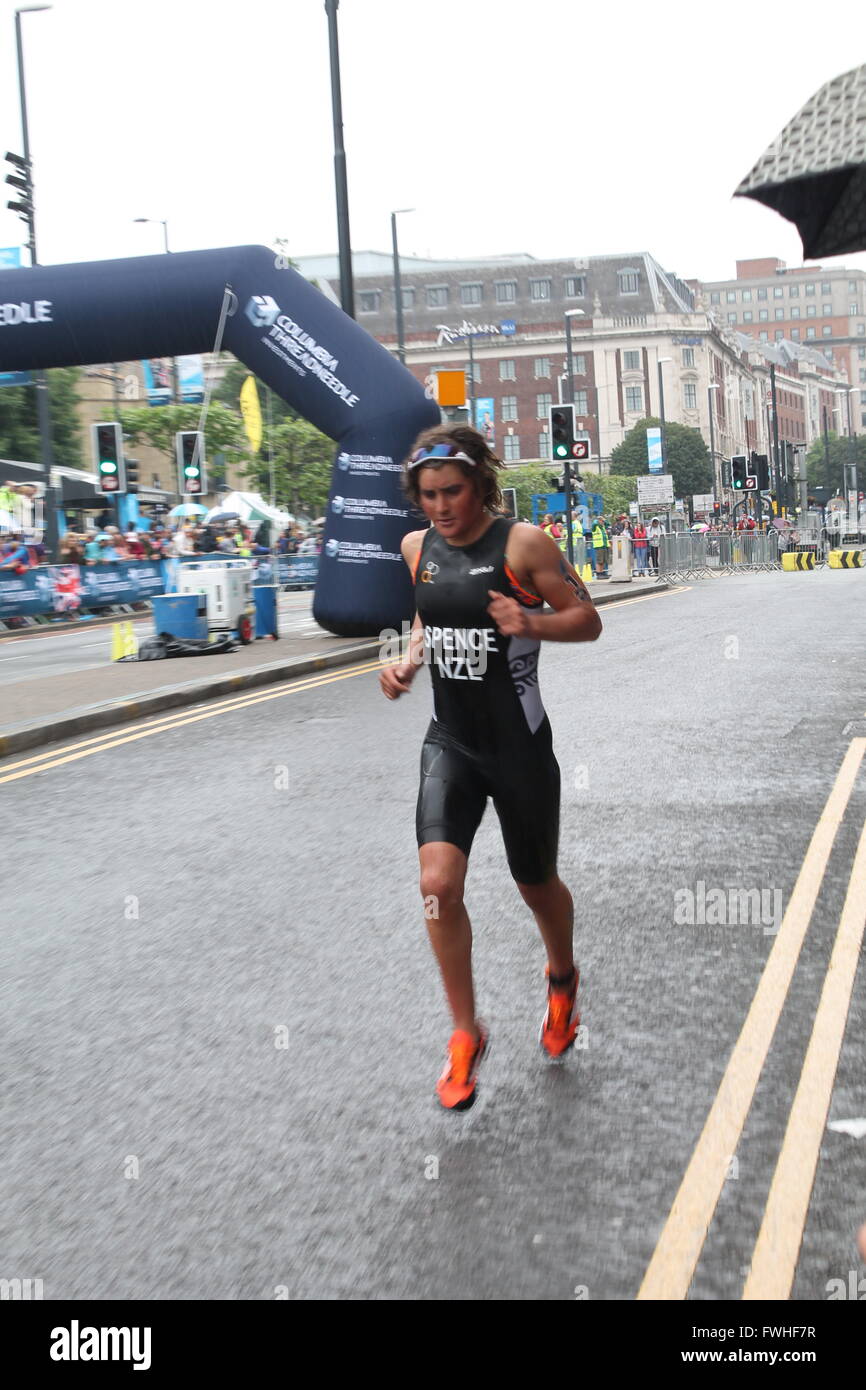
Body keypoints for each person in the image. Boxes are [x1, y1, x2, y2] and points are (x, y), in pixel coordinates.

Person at [379, 425, 602, 1110]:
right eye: (428, 496)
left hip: (519, 748)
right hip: (452, 741)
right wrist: (409, 658)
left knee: (536, 884)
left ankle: (561, 981)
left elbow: (588, 619)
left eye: (452, 492)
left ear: (480, 484)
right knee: (436, 882)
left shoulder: (524, 545)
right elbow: (429, 615)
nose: (441, 508)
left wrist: (530, 624)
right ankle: (465, 1031)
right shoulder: (417, 547)